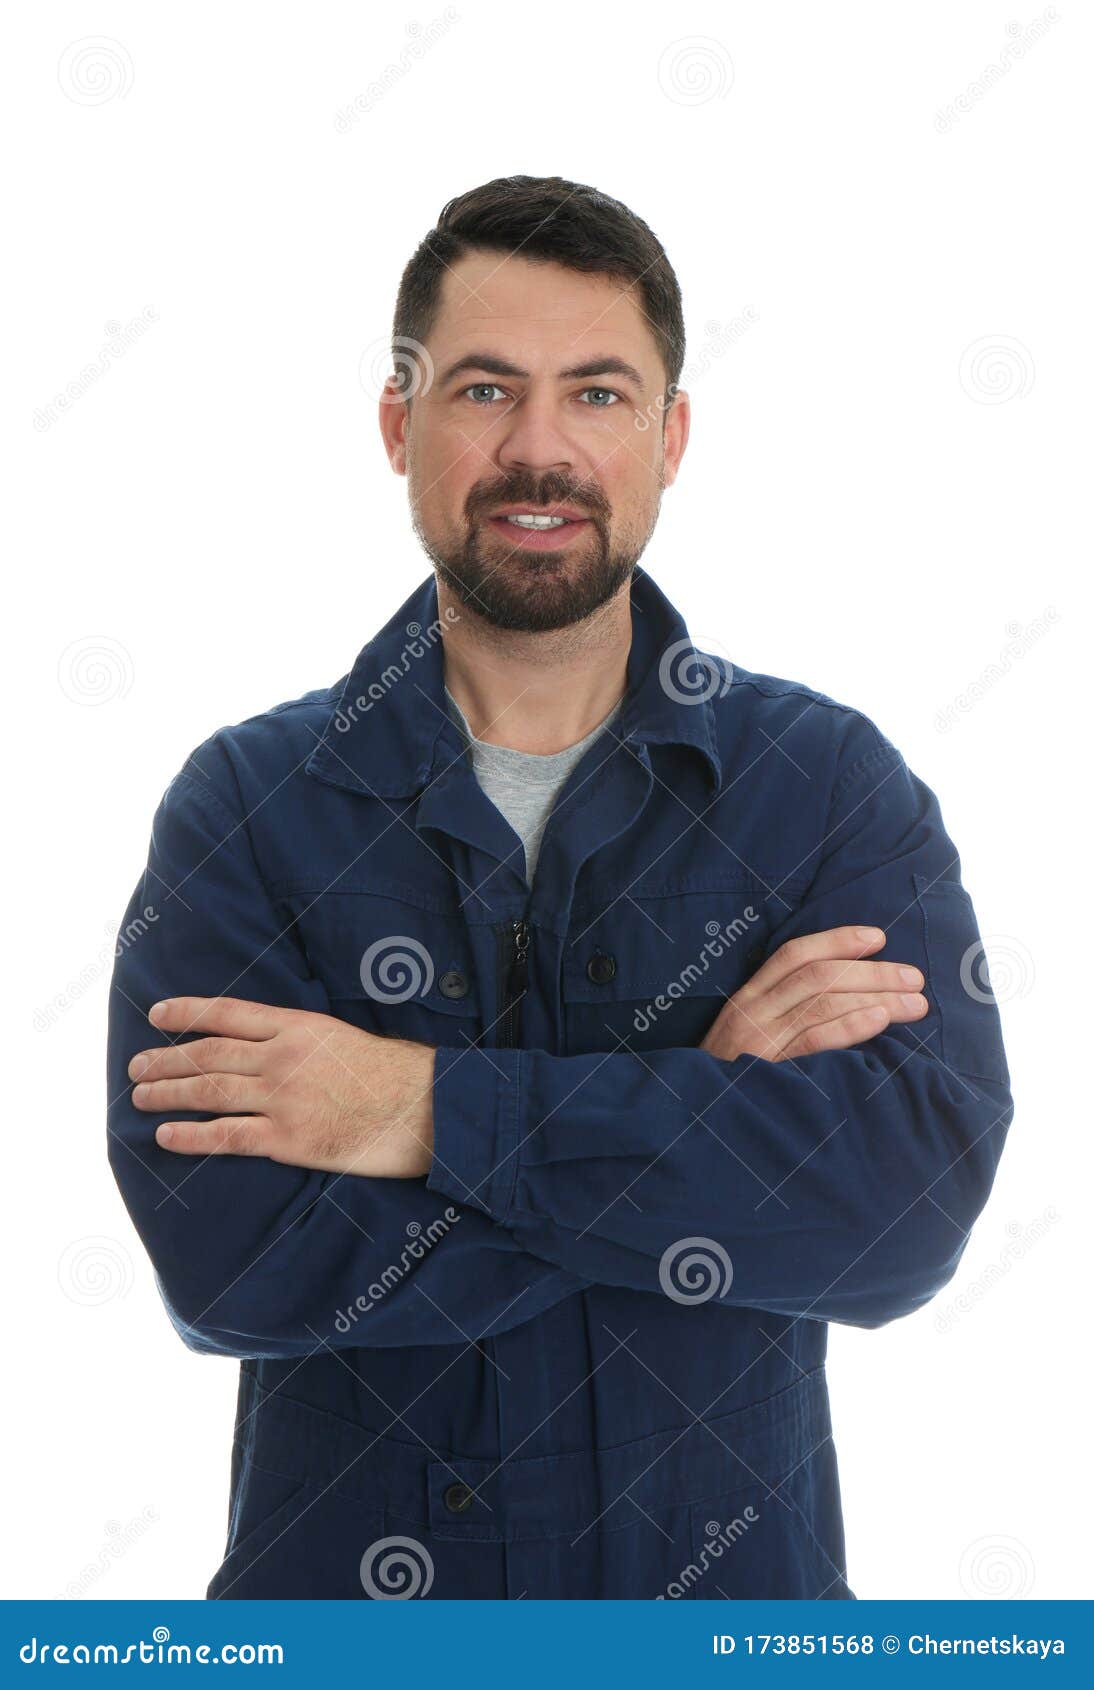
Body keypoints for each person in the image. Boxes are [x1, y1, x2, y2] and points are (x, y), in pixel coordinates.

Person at [106, 175, 1013, 1601]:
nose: (539, 450)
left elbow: (901, 1220)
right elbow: (228, 1263)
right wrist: (697, 1111)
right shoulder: (248, 807)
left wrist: (414, 1110)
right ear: (398, 423)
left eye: (597, 394)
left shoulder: (826, 787)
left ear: (670, 436)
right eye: (484, 390)